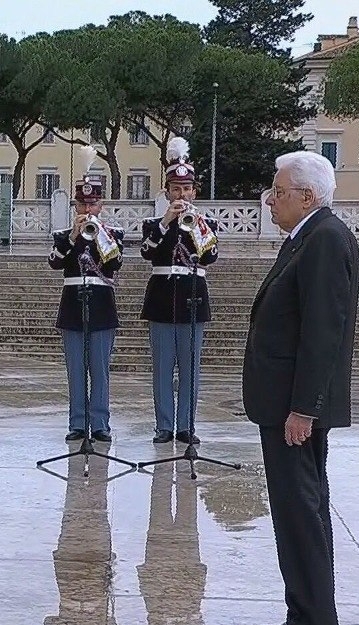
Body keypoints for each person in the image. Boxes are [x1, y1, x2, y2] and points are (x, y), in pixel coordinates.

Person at [243, 151, 359, 625]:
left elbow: (322, 332)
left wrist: (305, 408)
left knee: (301, 509)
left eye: (279, 191)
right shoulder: (307, 238)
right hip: (285, 402)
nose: (271, 199)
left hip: (295, 407)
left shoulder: (325, 240)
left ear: (308, 196)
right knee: (297, 510)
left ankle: (315, 624)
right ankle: (304, 614)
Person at [139, 136, 219, 445]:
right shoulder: (153, 223)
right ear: (167, 192)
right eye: (176, 189)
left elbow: (211, 256)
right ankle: (163, 426)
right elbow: (147, 252)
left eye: (186, 189)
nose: (181, 194)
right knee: (162, 368)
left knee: (190, 369)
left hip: (194, 299)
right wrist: (165, 223)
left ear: (194, 191)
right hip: (161, 299)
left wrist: (195, 225)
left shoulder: (205, 222)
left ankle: (186, 426)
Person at [48, 171, 122, 442]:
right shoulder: (62, 236)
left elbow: (115, 264)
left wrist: (98, 235)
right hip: (72, 306)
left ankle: (100, 423)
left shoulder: (112, 235)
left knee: (100, 370)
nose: (87, 209)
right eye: (82, 205)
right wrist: (73, 237)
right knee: (76, 370)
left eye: (92, 205)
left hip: (102, 306)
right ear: (75, 207)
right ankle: (77, 423)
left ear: (100, 206)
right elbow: (55, 262)